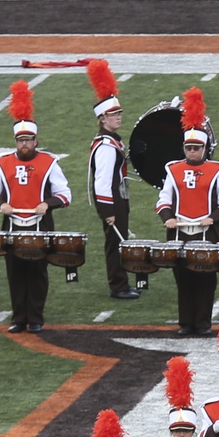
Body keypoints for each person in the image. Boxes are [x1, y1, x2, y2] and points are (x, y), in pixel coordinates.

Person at [0, 83, 73, 334]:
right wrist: (0, 205)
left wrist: (48, 204)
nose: (24, 144)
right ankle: (18, 317)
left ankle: (36, 317)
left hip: (40, 224)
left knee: (37, 271)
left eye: (28, 140)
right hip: (11, 224)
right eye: (20, 140)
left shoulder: (49, 162)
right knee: (15, 271)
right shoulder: (3, 163)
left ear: (36, 140)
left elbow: (65, 194)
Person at [157, 97, 219, 337]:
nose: (192, 151)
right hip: (179, 231)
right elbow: (163, 200)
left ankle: (202, 323)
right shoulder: (173, 169)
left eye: (196, 148)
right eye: (189, 148)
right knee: (183, 277)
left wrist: (213, 218)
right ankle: (185, 323)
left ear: (204, 149)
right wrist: (168, 217)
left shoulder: (216, 170)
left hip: (206, 232)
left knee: (205, 279)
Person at [85, 62, 141, 300]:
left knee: (120, 241)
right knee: (115, 243)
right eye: (113, 115)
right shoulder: (106, 146)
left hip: (120, 195)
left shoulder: (112, 141)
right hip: (113, 199)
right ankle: (118, 286)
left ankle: (122, 282)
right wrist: (107, 210)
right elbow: (101, 182)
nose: (118, 118)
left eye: (119, 114)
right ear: (102, 119)